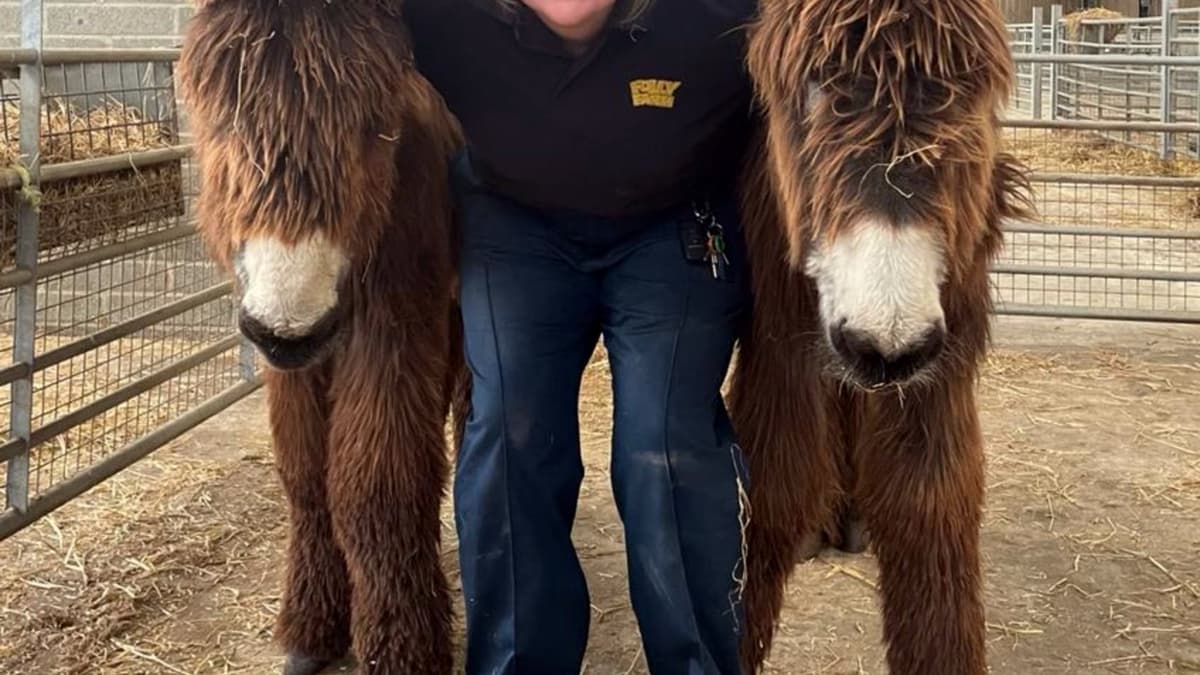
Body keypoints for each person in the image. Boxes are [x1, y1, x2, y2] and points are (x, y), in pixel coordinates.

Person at [405, 1, 759, 672]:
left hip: (673, 224)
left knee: (664, 443)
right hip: (514, 223)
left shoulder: (721, 16)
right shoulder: (440, 17)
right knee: (510, 428)